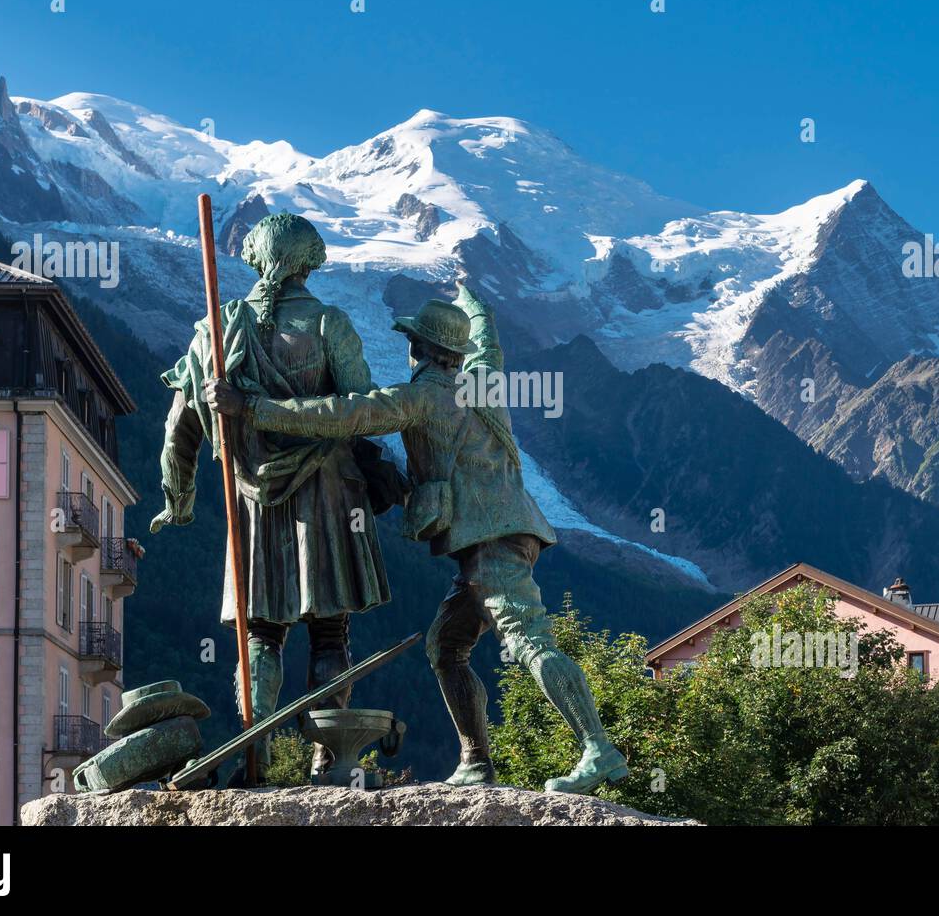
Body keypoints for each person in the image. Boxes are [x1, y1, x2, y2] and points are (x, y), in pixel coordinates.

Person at [204, 281, 628, 794]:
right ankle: (476, 762)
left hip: (491, 540)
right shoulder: (483, 380)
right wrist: (471, 297)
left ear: (419, 349)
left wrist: (252, 409)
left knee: (528, 639)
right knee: (446, 647)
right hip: (503, 536)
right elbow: (489, 336)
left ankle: (597, 749)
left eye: (412, 343)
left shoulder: (421, 398)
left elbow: (344, 414)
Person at [154, 212, 398, 786]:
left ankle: (254, 756)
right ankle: (330, 759)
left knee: (260, 632)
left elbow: (178, 428)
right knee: (330, 630)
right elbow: (362, 410)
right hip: (331, 493)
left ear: (259, 259)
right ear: (308, 262)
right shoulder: (329, 324)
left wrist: (180, 497)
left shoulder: (219, 328)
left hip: (253, 501)